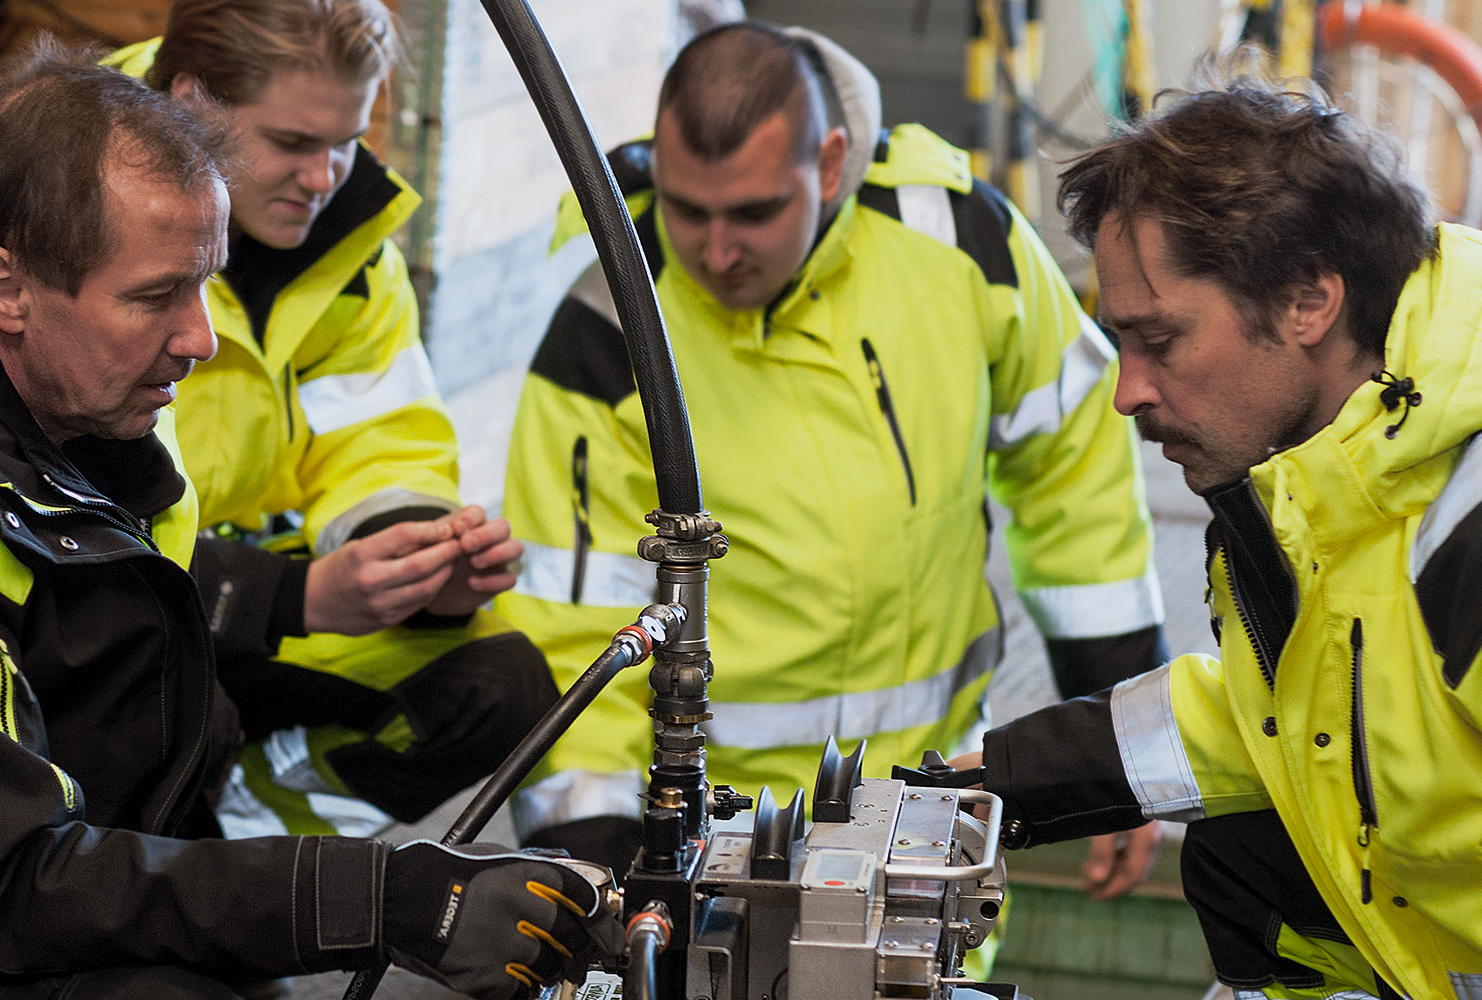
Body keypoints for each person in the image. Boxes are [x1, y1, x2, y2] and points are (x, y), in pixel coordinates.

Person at [0, 45, 616, 1000]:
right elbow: (17, 883)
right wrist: (369, 894)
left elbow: (132, 623)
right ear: (4, 289)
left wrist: (312, 605)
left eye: (204, 282)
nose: (200, 337)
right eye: (155, 296)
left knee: (488, 683)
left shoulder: (89, 401)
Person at [498, 21, 1169, 893]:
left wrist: (1122, 756)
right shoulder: (610, 326)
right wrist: (598, 867)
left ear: (828, 162)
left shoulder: (962, 247)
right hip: (710, 843)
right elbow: (570, 623)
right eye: (686, 209)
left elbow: (1076, 479)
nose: (717, 250)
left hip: (927, 823)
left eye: (753, 212)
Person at [959, 77, 1482, 998]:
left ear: (1307, 303)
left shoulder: (1467, 526)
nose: (1127, 393)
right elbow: (1292, 718)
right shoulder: (1322, 476)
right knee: (1246, 854)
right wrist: (993, 781)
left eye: (1159, 340)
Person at [104, 0, 560, 841]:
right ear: (192, 103)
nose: (327, 179)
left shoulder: (357, 265)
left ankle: (240, 841)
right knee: (161, 707)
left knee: (502, 685)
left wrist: (421, 562)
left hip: (250, 610)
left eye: (345, 141)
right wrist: (292, 596)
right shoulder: (70, 212)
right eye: (293, 144)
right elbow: (65, 521)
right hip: (102, 616)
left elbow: (381, 444)